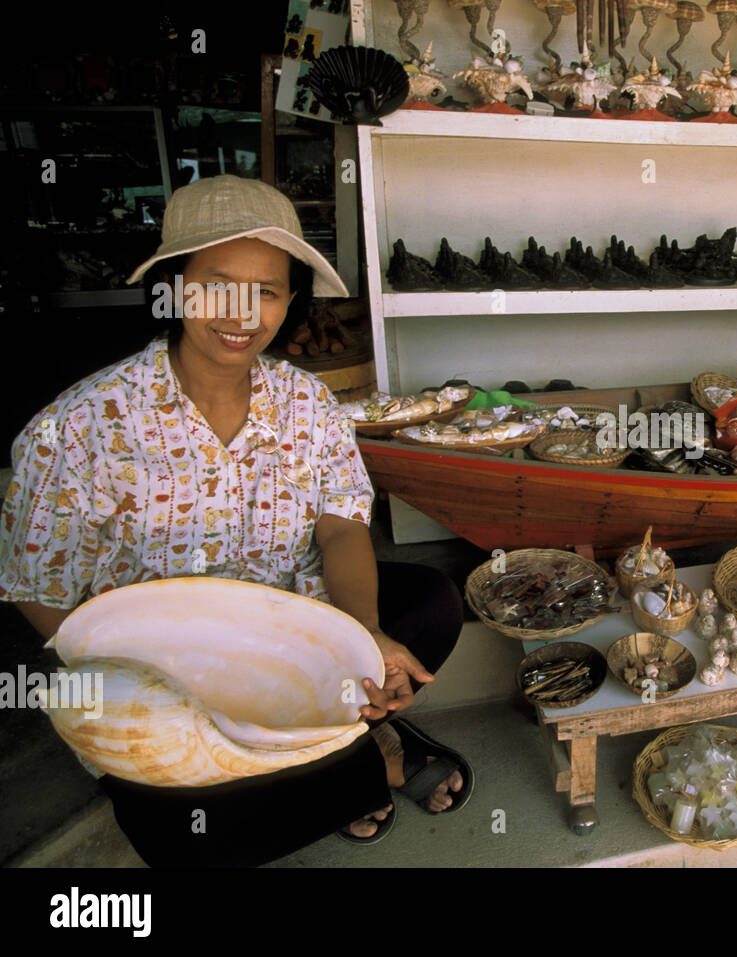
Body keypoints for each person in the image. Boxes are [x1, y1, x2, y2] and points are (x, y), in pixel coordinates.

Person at [0, 174, 469, 866]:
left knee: (429, 607)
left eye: (268, 290)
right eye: (217, 282)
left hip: (289, 634)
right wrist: (169, 671)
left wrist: (360, 637)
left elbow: (341, 525)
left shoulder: (306, 401)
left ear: (290, 300)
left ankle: (335, 760)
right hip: (158, 667)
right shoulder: (78, 426)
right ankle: (367, 765)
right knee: (176, 838)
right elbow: (35, 584)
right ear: (173, 285)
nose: (241, 312)